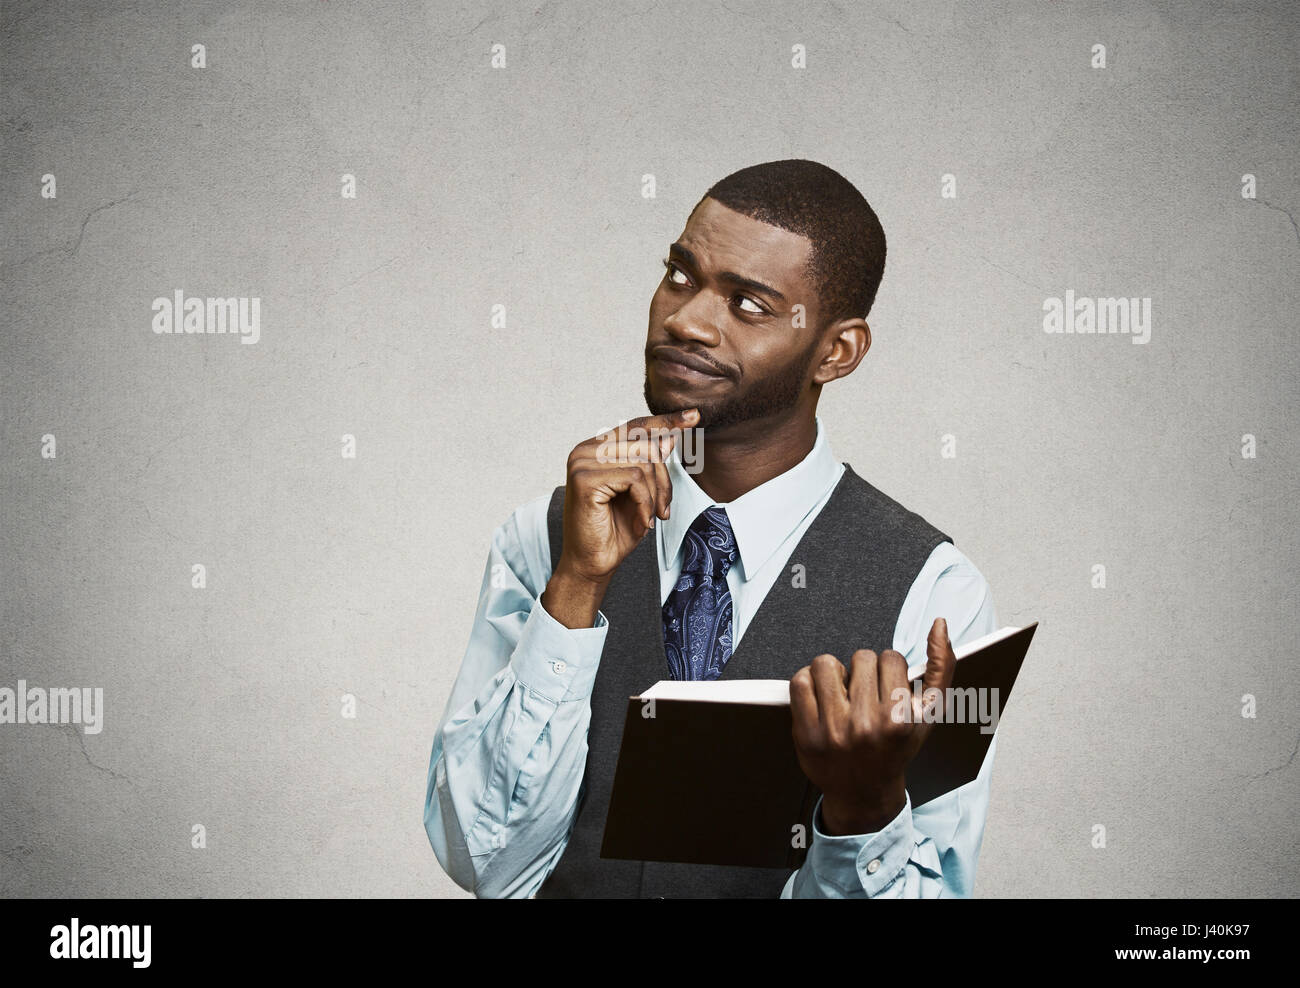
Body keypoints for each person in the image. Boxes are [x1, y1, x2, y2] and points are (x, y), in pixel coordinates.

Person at [424, 159, 1000, 898]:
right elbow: (483, 861)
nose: (686, 319)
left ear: (837, 351)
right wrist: (574, 589)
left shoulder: (933, 592)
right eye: (681, 274)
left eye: (750, 305)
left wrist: (863, 810)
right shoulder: (545, 537)